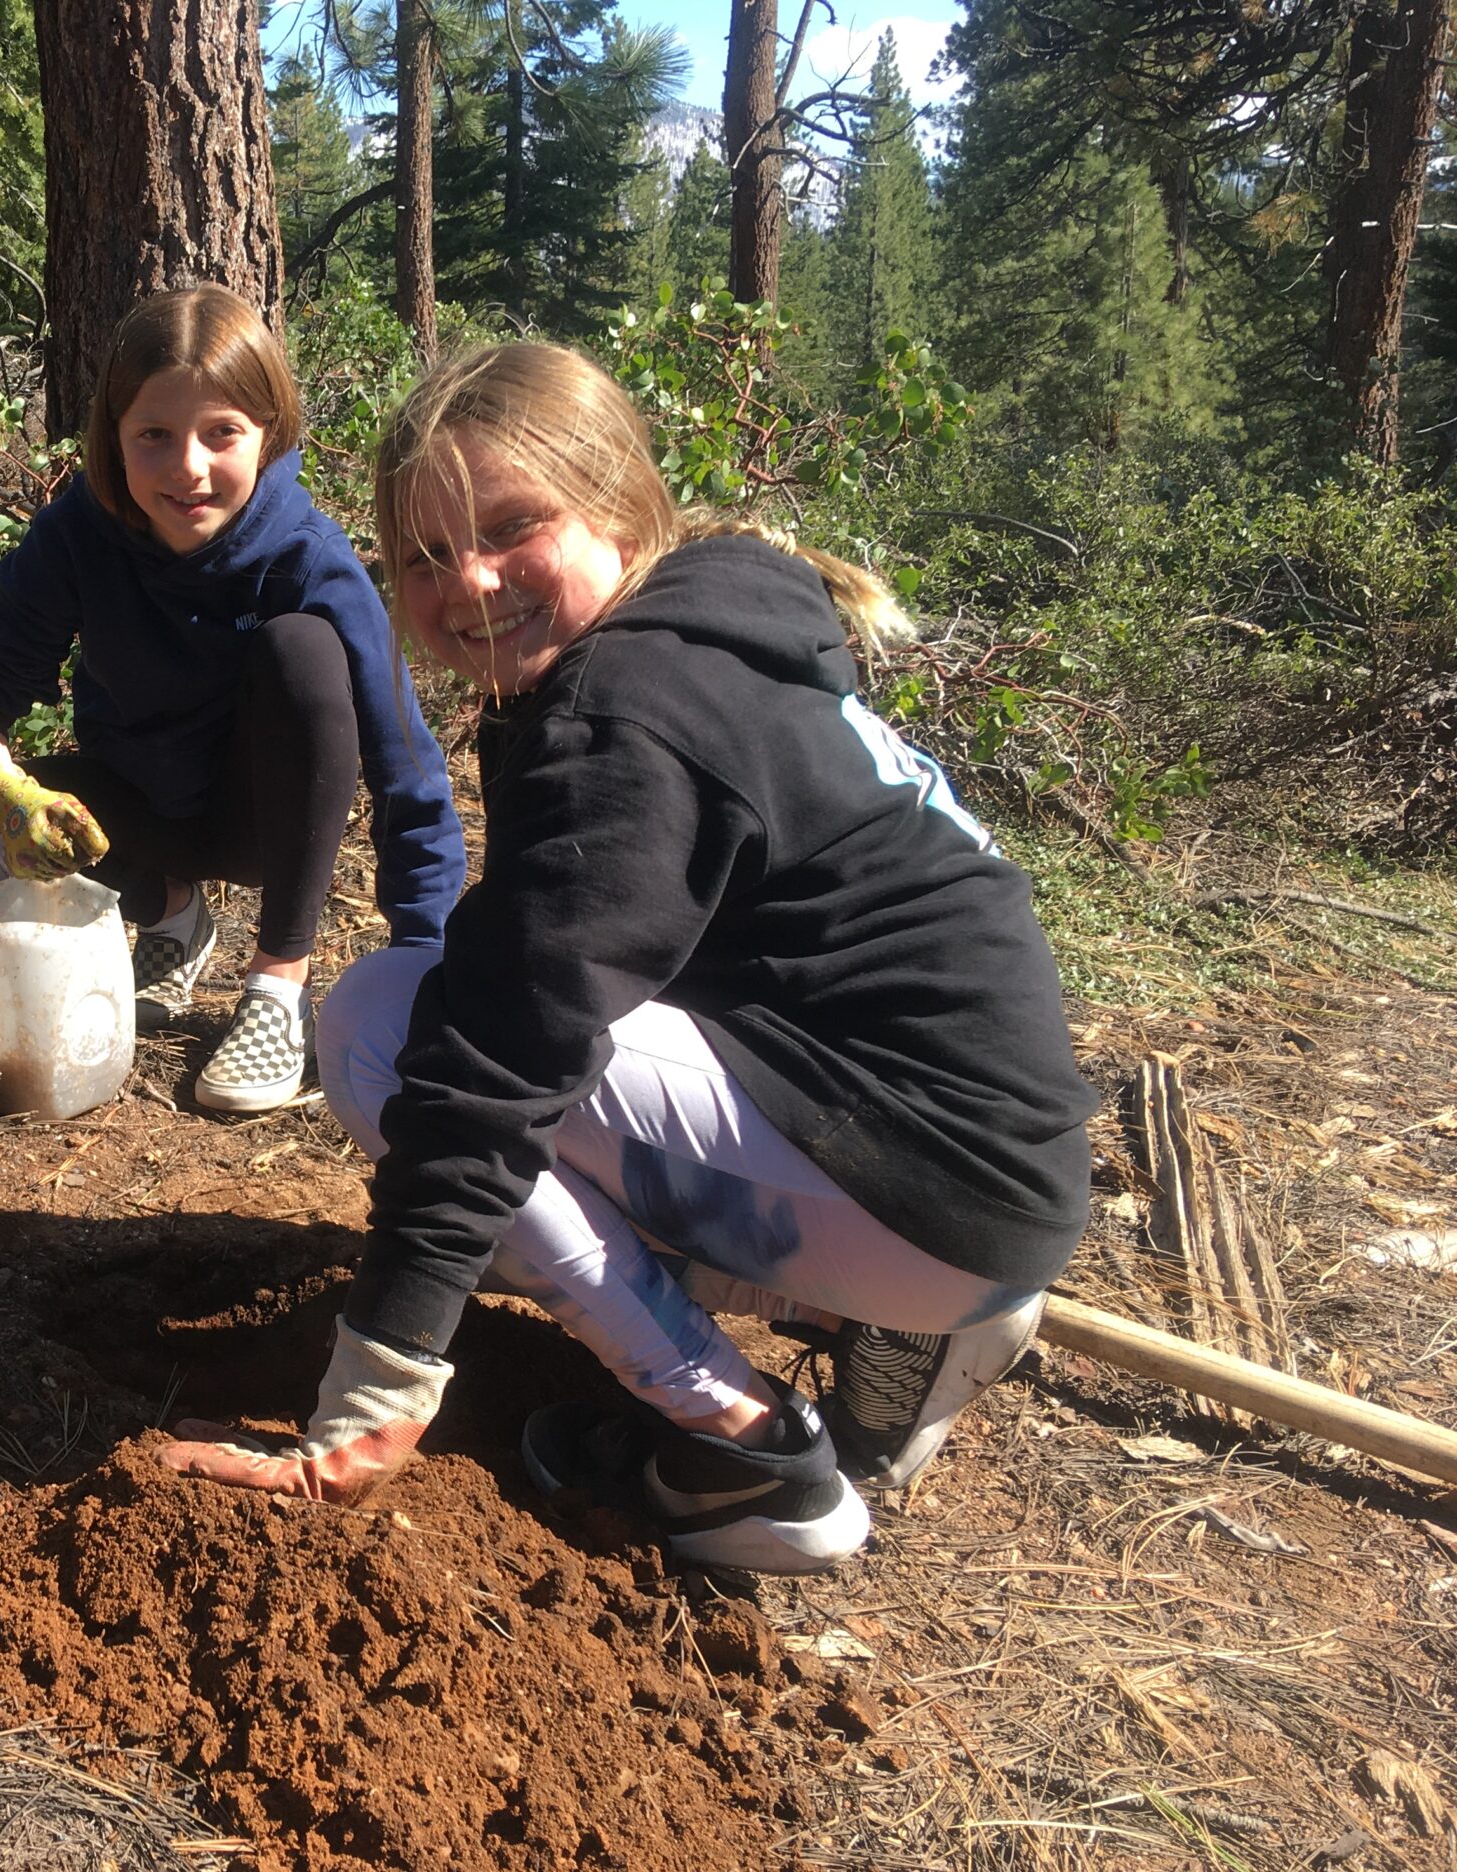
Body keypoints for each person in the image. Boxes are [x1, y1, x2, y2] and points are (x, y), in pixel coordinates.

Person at [162, 341, 1097, 1574]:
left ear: (615, 507)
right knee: (474, 1068)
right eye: (429, 555)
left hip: (929, 1179)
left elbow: (492, 1072)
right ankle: (864, 1315)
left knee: (386, 1024)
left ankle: (746, 1458)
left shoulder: (621, 718)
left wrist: (370, 1395)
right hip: (979, 1166)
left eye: (512, 526)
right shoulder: (707, 630)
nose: (472, 581)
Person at [0, 285, 465, 1114]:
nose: (188, 468)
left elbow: (409, 775)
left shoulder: (305, 555)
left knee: (303, 648)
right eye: (154, 435)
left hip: (266, 819)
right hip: (137, 810)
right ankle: (172, 916)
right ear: (114, 438)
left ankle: (278, 983)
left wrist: (424, 962)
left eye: (222, 434)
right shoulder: (76, 535)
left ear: (269, 433)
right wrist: (8, 799)